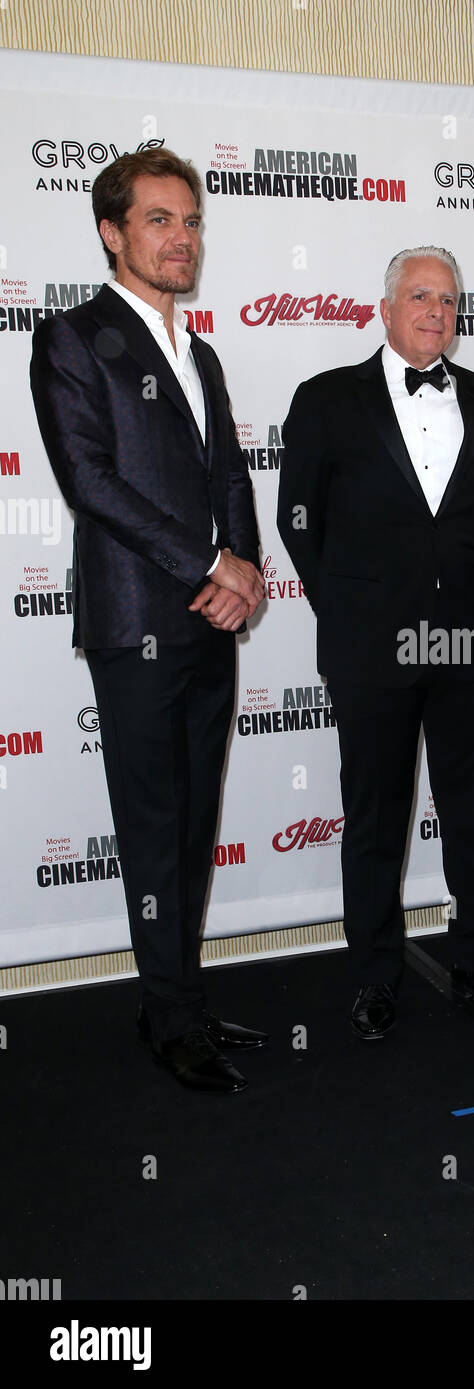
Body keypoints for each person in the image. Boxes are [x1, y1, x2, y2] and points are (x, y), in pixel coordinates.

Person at [30, 148, 268, 1093]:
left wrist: (242, 572)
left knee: (194, 820)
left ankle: (181, 997)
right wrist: (209, 562)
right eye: (161, 221)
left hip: (211, 619)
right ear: (112, 233)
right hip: (138, 623)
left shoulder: (198, 350)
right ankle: (169, 1019)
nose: (183, 238)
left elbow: (228, 476)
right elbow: (90, 481)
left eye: (192, 221)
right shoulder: (74, 338)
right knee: (154, 822)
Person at [278, 246, 474, 1038]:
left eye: (449, 300)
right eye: (419, 297)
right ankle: (375, 975)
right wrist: (348, 612)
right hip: (369, 647)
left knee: (470, 811)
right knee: (375, 817)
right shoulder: (324, 399)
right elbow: (297, 519)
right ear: (384, 307)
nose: (435, 312)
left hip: (470, 644)